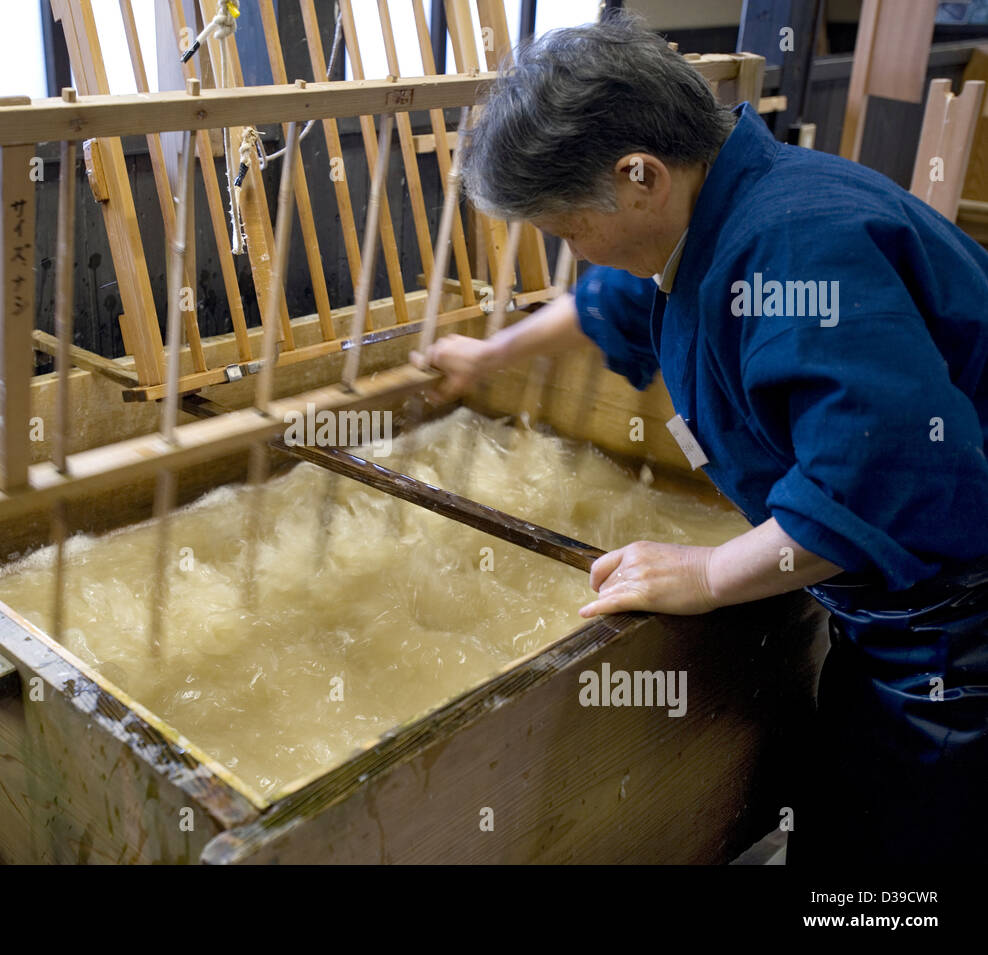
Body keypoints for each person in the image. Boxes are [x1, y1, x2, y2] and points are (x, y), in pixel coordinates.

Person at [416, 14, 988, 864]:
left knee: (900, 852)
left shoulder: (798, 250)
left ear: (638, 174)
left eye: (569, 228)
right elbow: (618, 298)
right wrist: (494, 353)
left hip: (955, 624)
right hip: (896, 612)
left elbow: (875, 480)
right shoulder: (711, 213)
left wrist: (710, 570)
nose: (574, 250)